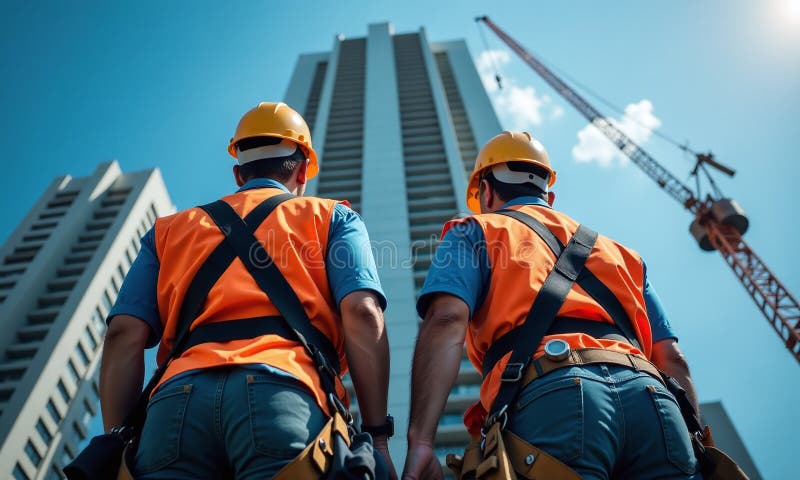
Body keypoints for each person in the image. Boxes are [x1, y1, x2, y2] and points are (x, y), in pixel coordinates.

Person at [100, 102, 397, 479]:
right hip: (286, 392)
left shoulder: (168, 231)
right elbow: (362, 312)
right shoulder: (332, 217)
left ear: (239, 173)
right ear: (302, 169)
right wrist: (377, 436)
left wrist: (116, 442)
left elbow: (122, 334)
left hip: (174, 408)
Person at [402, 131, 703, 480]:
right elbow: (673, 359)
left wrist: (421, 441)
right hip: (653, 401)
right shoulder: (624, 255)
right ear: (549, 196)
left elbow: (447, 319)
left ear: (485, 190)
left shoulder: (475, 230)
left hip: (553, 395)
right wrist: (697, 442)